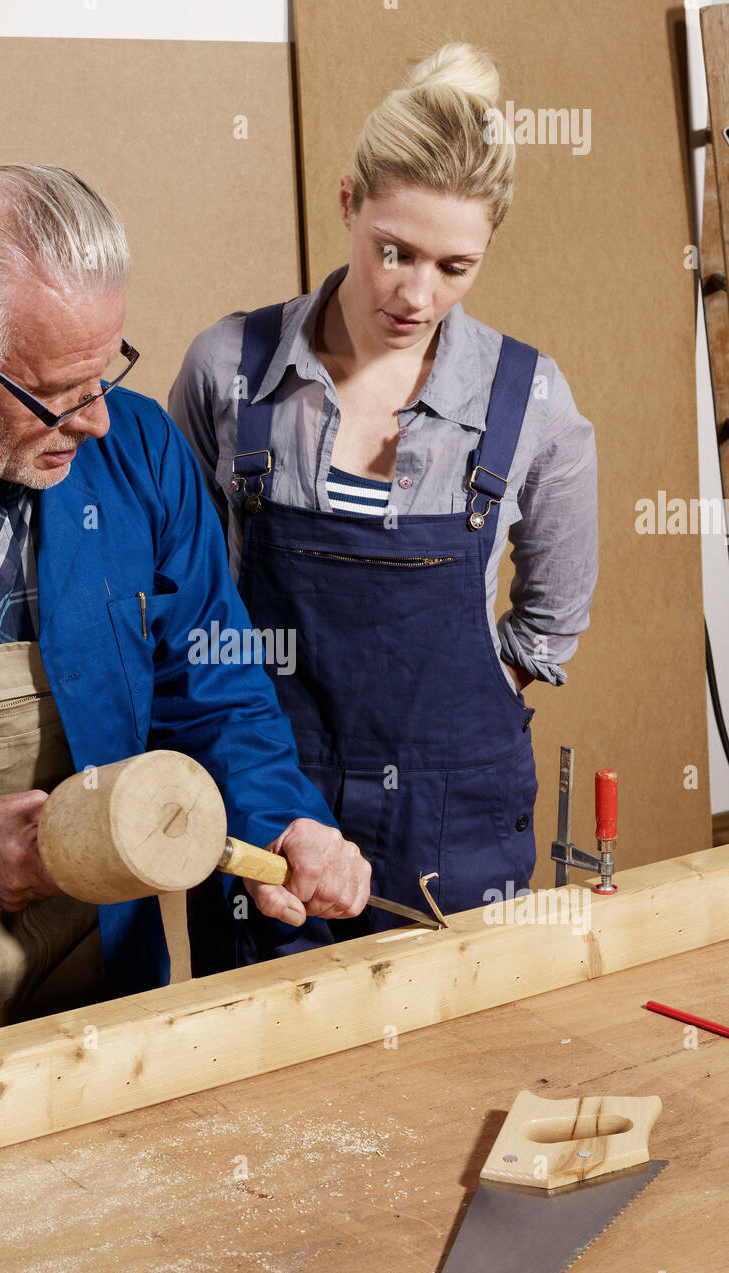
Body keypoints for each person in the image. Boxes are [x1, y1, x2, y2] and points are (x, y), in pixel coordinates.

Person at [0, 163, 370, 1086]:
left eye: (107, 374)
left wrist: (280, 823)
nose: (98, 425)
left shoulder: (145, 459)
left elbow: (217, 694)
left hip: (94, 1003)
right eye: (58, 393)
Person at [168, 43, 597, 958]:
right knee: (258, 1066)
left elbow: (551, 619)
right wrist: (250, 771)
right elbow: (185, 595)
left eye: (454, 267)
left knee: (452, 1063)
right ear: (347, 202)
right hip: (270, 794)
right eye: (391, 251)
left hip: (454, 809)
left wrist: (469, 712)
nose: (414, 294)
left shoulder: (531, 400)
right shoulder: (229, 371)